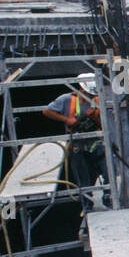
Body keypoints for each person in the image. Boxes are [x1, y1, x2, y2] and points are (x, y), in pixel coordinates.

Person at [42, 72, 106, 211]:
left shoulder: (96, 100)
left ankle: (108, 197)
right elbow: (46, 111)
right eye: (89, 94)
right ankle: (87, 204)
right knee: (82, 174)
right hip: (76, 141)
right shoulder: (66, 100)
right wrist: (67, 120)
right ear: (82, 90)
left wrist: (94, 117)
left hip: (94, 140)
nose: (91, 96)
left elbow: (104, 124)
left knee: (106, 168)